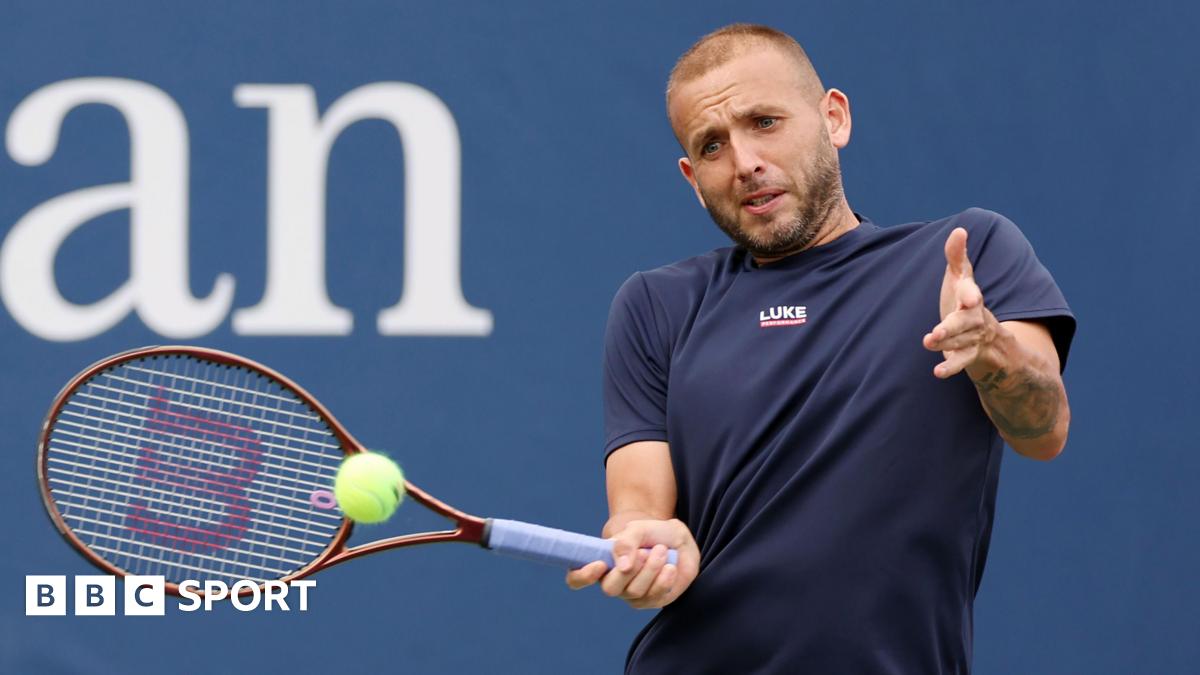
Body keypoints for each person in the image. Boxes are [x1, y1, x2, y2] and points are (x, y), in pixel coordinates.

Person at [565, 23, 1076, 675]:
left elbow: (1045, 428)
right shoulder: (655, 305)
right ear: (693, 177)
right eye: (713, 145)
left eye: (765, 122)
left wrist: (990, 349)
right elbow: (638, 505)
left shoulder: (964, 256)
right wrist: (644, 543)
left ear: (833, 117)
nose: (744, 161)